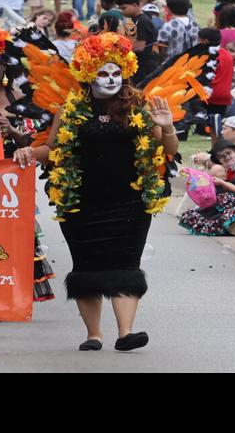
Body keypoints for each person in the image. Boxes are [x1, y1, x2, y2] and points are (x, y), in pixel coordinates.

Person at [14, 33, 179, 351]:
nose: (111, 79)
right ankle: (93, 334)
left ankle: (125, 332)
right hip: (81, 202)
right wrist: (28, 153)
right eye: (103, 73)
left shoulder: (138, 105)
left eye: (116, 72)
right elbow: (52, 148)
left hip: (129, 201)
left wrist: (168, 126)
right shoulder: (71, 108)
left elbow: (167, 147)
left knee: (126, 263)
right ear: (88, 74)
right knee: (86, 265)